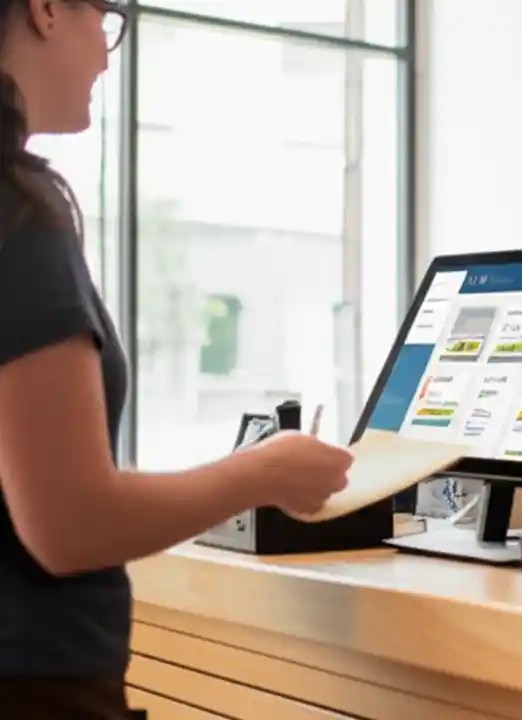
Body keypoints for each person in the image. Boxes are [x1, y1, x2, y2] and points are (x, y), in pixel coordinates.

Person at [0, 2, 353, 717]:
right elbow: (69, 525)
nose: (106, 53)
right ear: (44, 10)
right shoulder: (18, 213)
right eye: (105, 18)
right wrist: (267, 470)